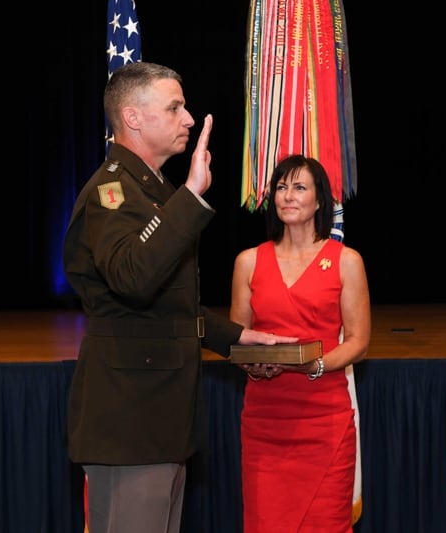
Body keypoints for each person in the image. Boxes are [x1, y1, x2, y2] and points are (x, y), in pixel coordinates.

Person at [62, 61, 297, 533]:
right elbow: (132, 278)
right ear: (133, 117)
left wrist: (239, 339)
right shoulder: (111, 192)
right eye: (174, 108)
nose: (189, 119)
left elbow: (169, 310)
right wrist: (190, 196)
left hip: (159, 420)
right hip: (130, 423)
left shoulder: (149, 191)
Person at [229, 154, 371, 532]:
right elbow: (236, 340)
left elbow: (359, 341)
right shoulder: (248, 261)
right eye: (280, 187)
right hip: (265, 424)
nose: (287, 196)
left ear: (320, 200)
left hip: (324, 423)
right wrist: (251, 365)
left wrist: (318, 365)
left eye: (299, 187)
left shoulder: (347, 261)